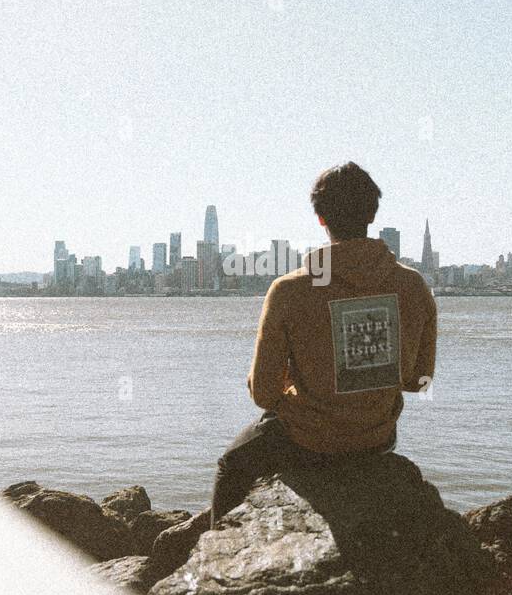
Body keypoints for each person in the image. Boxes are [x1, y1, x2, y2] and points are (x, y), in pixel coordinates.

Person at [151, 162, 437, 568]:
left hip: (308, 442)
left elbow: (264, 395)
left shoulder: (291, 290)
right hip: (377, 440)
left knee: (232, 464)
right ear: (373, 214)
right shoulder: (413, 285)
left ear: (320, 219)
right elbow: (418, 381)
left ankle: (217, 565)